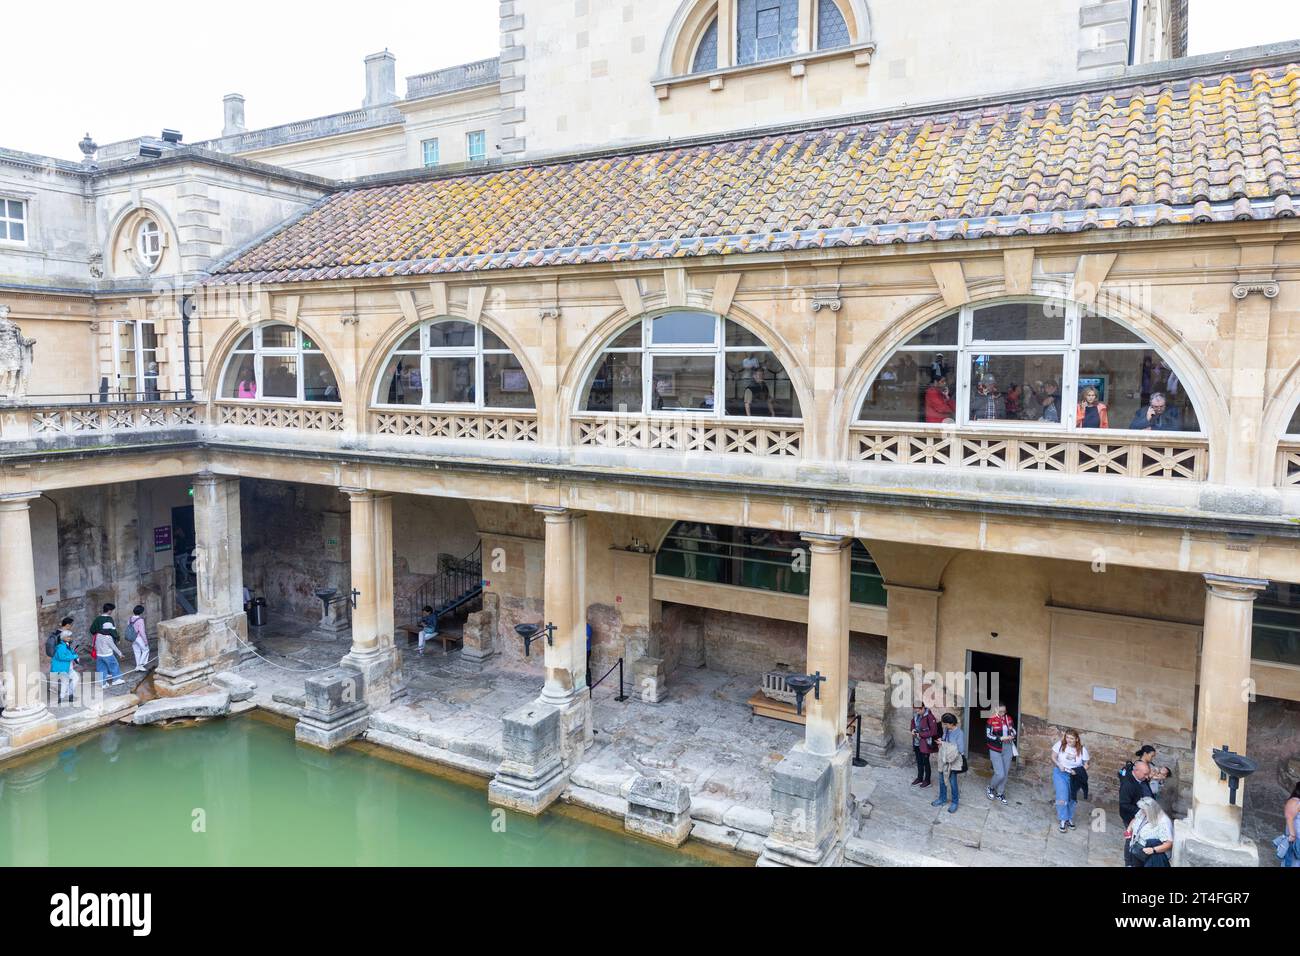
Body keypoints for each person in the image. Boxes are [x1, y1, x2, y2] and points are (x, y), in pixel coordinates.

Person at [1051, 729, 1089, 832]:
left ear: (1076, 739)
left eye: (1071, 738)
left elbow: (1086, 764)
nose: (1068, 740)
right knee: (1062, 796)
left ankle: (1069, 817)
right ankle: (1063, 819)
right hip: (1060, 774)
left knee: (1072, 798)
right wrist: (1059, 764)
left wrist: (1078, 771)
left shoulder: (1082, 750)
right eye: (1067, 737)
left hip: (1074, 777)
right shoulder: (1060, 744)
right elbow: (1053, 757)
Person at [931, 712, 966, 813]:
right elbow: (945, 740)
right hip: (943, 759)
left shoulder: (959, 733)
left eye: (946, 724)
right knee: (941, 779)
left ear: (951, 723)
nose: (944, 726)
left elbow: (960, 749)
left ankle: (955, 802)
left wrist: (944, 744)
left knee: (952, 782)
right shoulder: (947, 730)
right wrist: (941, 741)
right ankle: (942, 799)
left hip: (953, 761)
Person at [1126, 796, 1173, 867]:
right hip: (1136, 849)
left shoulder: (1164, 821)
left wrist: (1153, 850)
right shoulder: (1142, 811)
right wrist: (1129, 830)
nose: (1141, 812)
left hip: (1150, 856)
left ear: (1151, 810)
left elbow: (1169, 844)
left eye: (1143, 810)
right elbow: (1134, 820)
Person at [985, 702, 1016, 805]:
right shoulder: (991, 720)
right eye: (1001, 711)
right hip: (995, 748)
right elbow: (988, 736)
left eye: (1004, 711)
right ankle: (991, 787)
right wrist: (1000, 738)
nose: (1003, 713)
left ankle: (1000, 793)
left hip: (1008, 747)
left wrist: (1012, 734)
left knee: (1006, 773)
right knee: (1000, 773)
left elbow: (1013, 730)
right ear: (996, 710)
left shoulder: (1009, 718)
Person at [1119, 757, 1155, 841]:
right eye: (1145, 774)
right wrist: (1140, 810)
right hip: (1132, 817)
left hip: (1144, 813)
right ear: (1136, 771)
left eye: (1147, 774)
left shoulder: (1141, 777)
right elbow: (1124, 804)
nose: (1147, 777)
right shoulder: (1127, 784)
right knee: (1132, 837)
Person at [90, 603, 125, 687]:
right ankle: (116, 679)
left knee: (101, 667)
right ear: (109, 610)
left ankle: (103, 683)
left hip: (99, 651)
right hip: (107, 650)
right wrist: (117, 638)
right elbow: (113, 631)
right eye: (112, 610)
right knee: (113, 664)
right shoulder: (109, 619)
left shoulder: (97, 620)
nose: (111, 612)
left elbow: (92, 630)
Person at [910, 702, 940, 788]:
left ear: (923, 708)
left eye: (918, 710)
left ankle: (927, 781)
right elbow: (913, 723)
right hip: (916, 742)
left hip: (925, 744)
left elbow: (933, 731)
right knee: (919, 761)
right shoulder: (917, 715)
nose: (917, 712)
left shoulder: (930, 717)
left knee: (925, 762)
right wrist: (912, 730)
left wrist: (921, 734)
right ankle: (919, 778)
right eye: (916, 711)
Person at [49, 620, 79, 705]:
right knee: (73, 679)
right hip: (63, 668)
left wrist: (74, 654)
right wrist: (74, 656)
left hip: (66, 667)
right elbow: (62, 657)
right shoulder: (61, 647)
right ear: (64, 638)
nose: (70, 638)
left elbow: (70, 652)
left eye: (70, 637)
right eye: (69, 637)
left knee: (66, 682)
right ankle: (67, 695)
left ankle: (63, 697)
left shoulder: (66, 645)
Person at [1282, 782, 1300, 868]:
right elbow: (1289, 817)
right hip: (1295, 840)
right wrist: (1292, 835)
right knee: (1293, 862)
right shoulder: (1294, 801)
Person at [128, 605, 149, 671]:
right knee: (146, 650)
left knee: (137, 652)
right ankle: (140, 665)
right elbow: (142, 632)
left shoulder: (130, 618)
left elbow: (129, 627)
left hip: (133, 638)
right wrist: (145, 641)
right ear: (141, 612)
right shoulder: (140, 620)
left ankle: (138, 666)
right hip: (139, 638)